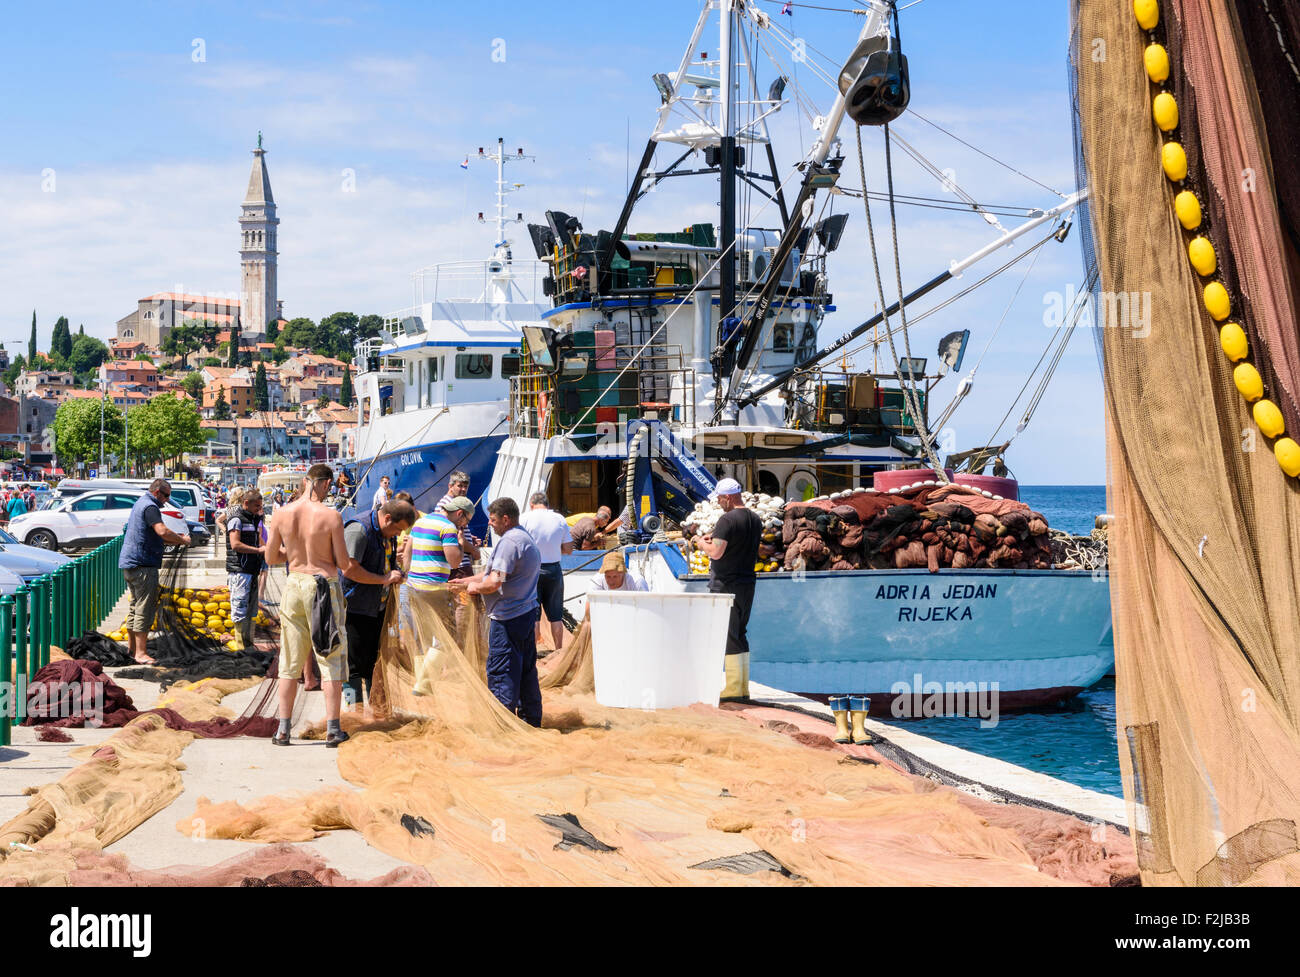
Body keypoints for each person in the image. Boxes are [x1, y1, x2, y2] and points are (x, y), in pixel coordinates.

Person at [264, 464, 403, 747]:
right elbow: (343, 563)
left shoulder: (281, 514)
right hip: (323, 588)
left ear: (305, 482)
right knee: (331, 659)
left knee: (290, 661)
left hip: (294, 585)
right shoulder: (331, 516)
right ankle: (332, 728)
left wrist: (294, 551)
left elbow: (271, 557)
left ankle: (283, 729)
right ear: (326, 484)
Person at [448, 497, 542, 726]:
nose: (489, 524)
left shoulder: (510, 543)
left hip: (508, 618)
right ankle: (531, 720)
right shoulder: (523, 536)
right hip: (524, 613)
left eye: (492, 520)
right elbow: (492, 574)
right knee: (525, 671)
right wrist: (463, 581)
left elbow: (494, 583)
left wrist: (474, 588)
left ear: (506, 519)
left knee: (502, 671)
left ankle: (502, 724)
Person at [689, 478, 761, 701]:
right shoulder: (755, 519)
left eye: (719, 498)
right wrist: (715, 539)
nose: (718, 502)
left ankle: (732, 688)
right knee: (740, 633)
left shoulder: (727, 519)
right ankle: (742, 687)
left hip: (726, 585)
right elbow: (735, 544)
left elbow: (716, 553)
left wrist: (700, 542)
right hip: (747, 583)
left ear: (728, 497)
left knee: (727, 634)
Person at [341, 498, 417, 708]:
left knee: (375, 663)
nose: (396, 536)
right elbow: (349, 569)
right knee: (352, 667)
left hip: (378, 609)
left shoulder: (387, 534)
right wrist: (384, 579)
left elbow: (387, 563)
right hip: (355, 609)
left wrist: (396, 573)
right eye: (396, 530)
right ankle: (352, 711)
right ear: (387, 518)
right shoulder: (359, 530)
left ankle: (377, 710)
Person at [118, 479, 191, 666]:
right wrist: (182, 540)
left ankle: (132, 649)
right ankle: (141, 653)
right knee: (145, 608)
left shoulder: (140, 503)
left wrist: (176, 539)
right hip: (143, 564)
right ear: (157, 492)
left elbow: (156, 534)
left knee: (135, 607)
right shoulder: (150, 507)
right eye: (166, 495)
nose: (167, 499)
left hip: (130, 563)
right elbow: (162, 531)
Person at [406, 496, 473, 687]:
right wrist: (460, 544)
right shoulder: (449, 528)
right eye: (465, 521)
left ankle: (421, 681)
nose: (464, 525)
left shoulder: (421, 521)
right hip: (434, 588)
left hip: (414, 586)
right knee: (448, 635)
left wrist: (410, 573)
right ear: (459, 513)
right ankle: (424, 685)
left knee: (424, 636)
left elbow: (408, 550)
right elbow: (454, 562)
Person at [519, 492, 574, 651]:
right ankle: (558, 651)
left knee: (534, 615)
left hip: (531, 570)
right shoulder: (559, 519)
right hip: (554, 570)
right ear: (547, 504)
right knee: (556, 617)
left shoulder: (524, 518)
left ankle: (533, 654)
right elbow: (569, 549)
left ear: (531, 504)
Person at [225, 489, 266, 651]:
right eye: (257, 505)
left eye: (260, 506)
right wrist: (258, 551)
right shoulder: (236, 519)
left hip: (251, 570)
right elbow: (235, 544)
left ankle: (248, 643)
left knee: (251, 608)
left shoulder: (253, 519)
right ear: (246, 503)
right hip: (240, 570)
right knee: (239, 606)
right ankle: (241, 646)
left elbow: (258, 540)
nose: (259, 508)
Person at [435, 471, 480, 576]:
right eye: (459, 486)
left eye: (466, 486)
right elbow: (453, 537)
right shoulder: (447, 504)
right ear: (450, 486)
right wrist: (474, 551)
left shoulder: (454, 503)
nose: (463, 489)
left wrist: (469, 538)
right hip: (458, 567)